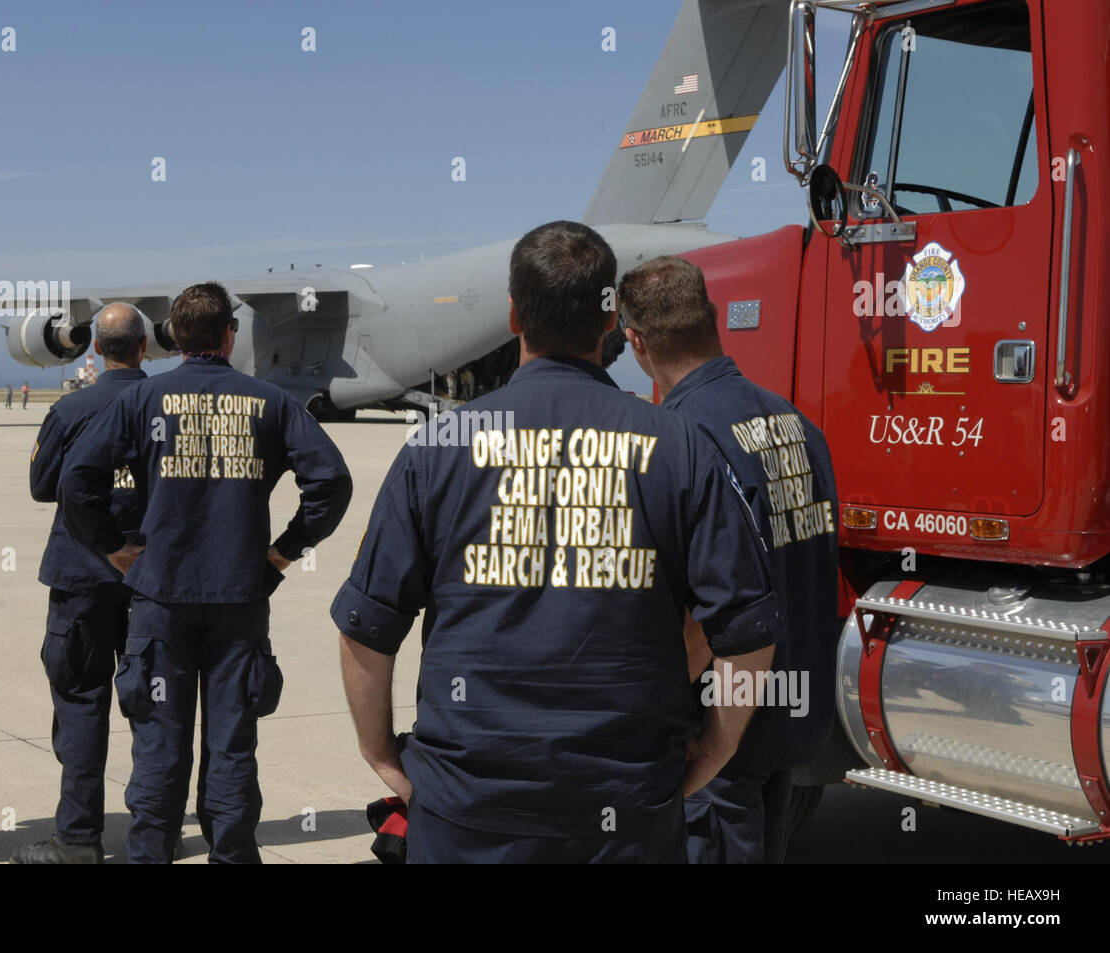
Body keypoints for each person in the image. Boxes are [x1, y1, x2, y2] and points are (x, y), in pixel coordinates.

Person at [332, 221, 782, 864]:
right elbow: (748, 634)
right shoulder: (680, 447)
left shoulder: (437, 449)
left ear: (514, 314)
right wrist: (715, 748)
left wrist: (381, 753)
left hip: (468, 807)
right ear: (609, 323)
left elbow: (365, 631)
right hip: (625, 806)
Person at [59, 282, 353, 864]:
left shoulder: (142, 401)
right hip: (239, 599)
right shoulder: (270, 401)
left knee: (159, 743)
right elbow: (331, 482)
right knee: (232, 743)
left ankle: (150, 853)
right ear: (228, 336)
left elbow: (75, 482)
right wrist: (285, 551)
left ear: (176, 339)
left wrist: (113, 547)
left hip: (160, 598)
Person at [617, 255, 839, 864]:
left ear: (634, 340)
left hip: (715, 736)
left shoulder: (679, 442)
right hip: (785, 722)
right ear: (713, 318)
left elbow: (691, 613)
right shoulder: (798, 426)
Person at [12, 305, 149, 864]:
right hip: (150, 579)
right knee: (155, 709)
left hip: (82, 577)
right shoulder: (167, 406)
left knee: (81, 706)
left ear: (94, 349)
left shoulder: (72, 409)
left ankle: (77, 839)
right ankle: (155, 831)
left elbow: (44, 487)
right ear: (144, 349)